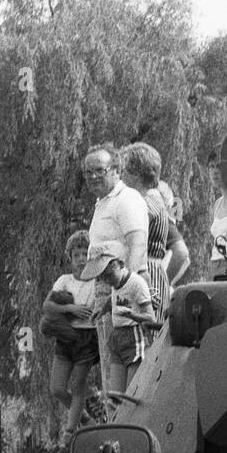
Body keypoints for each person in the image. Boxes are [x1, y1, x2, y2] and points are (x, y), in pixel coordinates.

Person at [84, 145, 148, 399]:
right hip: (107, 291)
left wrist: (126, 292)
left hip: (120, 290)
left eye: (99, 170)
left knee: (126, 369)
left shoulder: (126, 199)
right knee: (112, 372)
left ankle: (126, 429)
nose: (92, 177)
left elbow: (137, 243)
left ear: (117, 170)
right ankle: (115, 428)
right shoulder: (104, 203)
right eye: (88, 172)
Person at [43, 230, 99, 439]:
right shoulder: (64, 281)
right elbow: (47, 306)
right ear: (70, 258)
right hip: (66, 336)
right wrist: (70, 309)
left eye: (85, 254)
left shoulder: (97, 280)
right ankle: (84, 418)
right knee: (57, 388)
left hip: (87, 337)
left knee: (77, 385)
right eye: (77, 255)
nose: (81, 259)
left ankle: (69, 432)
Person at [81, 245, 157, 392]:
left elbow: (151, 319)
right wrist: (102, 311)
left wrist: (132, 315)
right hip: (117, 339)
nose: (108, 281)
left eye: (109, 275)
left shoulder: (136, 284)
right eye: (103, 277)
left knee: (132, 392)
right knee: (116, 395)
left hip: (134, 338)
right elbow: (115, 299)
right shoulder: (115, 284)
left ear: (121, 264)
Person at [120, 142, 171, 334]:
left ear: (135, 173)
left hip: (147, 271)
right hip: (144, 271)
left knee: (146, 336)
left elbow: (133, 235)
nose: (121, 176)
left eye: (123, 171)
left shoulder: (148, 200)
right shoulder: (147, 198)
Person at [158, 179, 191, 286]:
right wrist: (168, 284)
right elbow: (186, 261)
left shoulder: (162, 222)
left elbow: (182, 254)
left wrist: (162, 284)